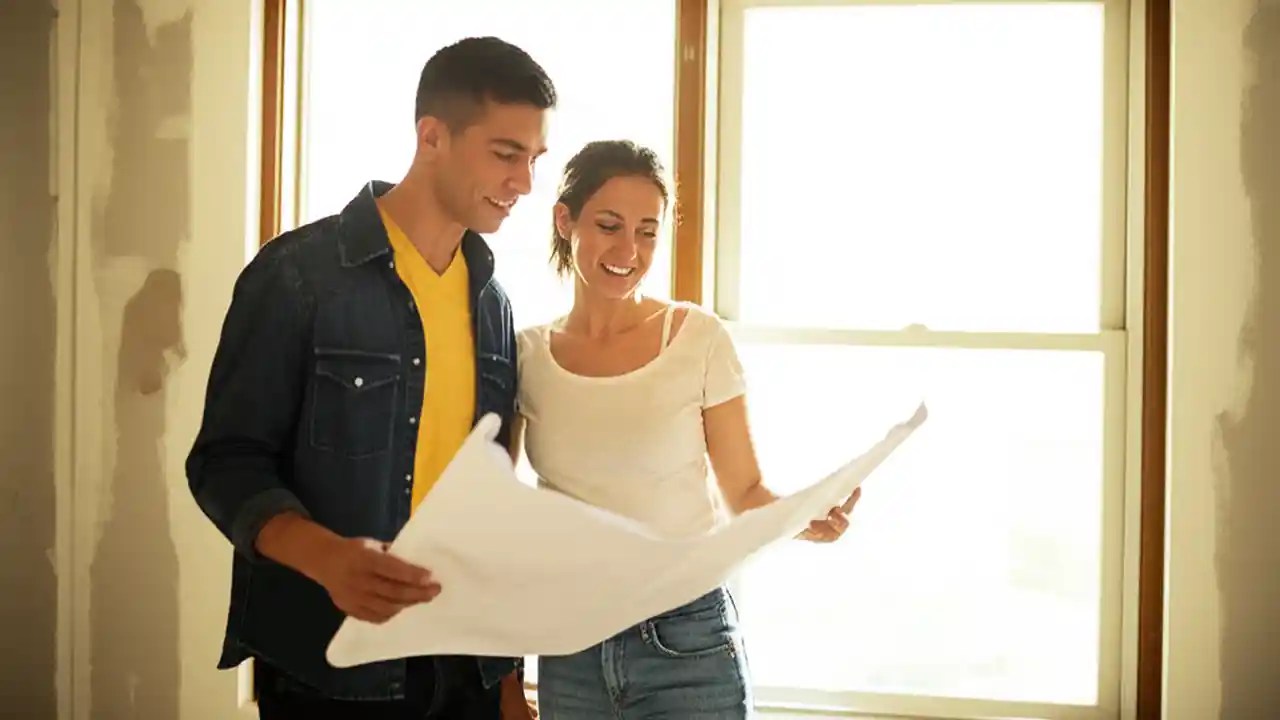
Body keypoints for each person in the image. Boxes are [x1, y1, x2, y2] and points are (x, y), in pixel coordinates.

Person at [186, 37, 553, 719]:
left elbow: (493, 498)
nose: (525, 182)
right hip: (334, 669)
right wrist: (328, 559)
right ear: (432, 136)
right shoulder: (298, 277)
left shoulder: (494, 306)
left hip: (464, 665)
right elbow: (224, 462)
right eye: (506, 154)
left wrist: (507, 678)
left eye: (535, 160)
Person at [512, 140, 861, 718]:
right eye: (609, 225)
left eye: (647, 231)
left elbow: (745, 493)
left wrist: (803, 516)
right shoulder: (527, 356)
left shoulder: (696, 338)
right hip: (570, 646)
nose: (629, 249)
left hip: (687, 643)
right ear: (564, 219)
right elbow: (498, 519)